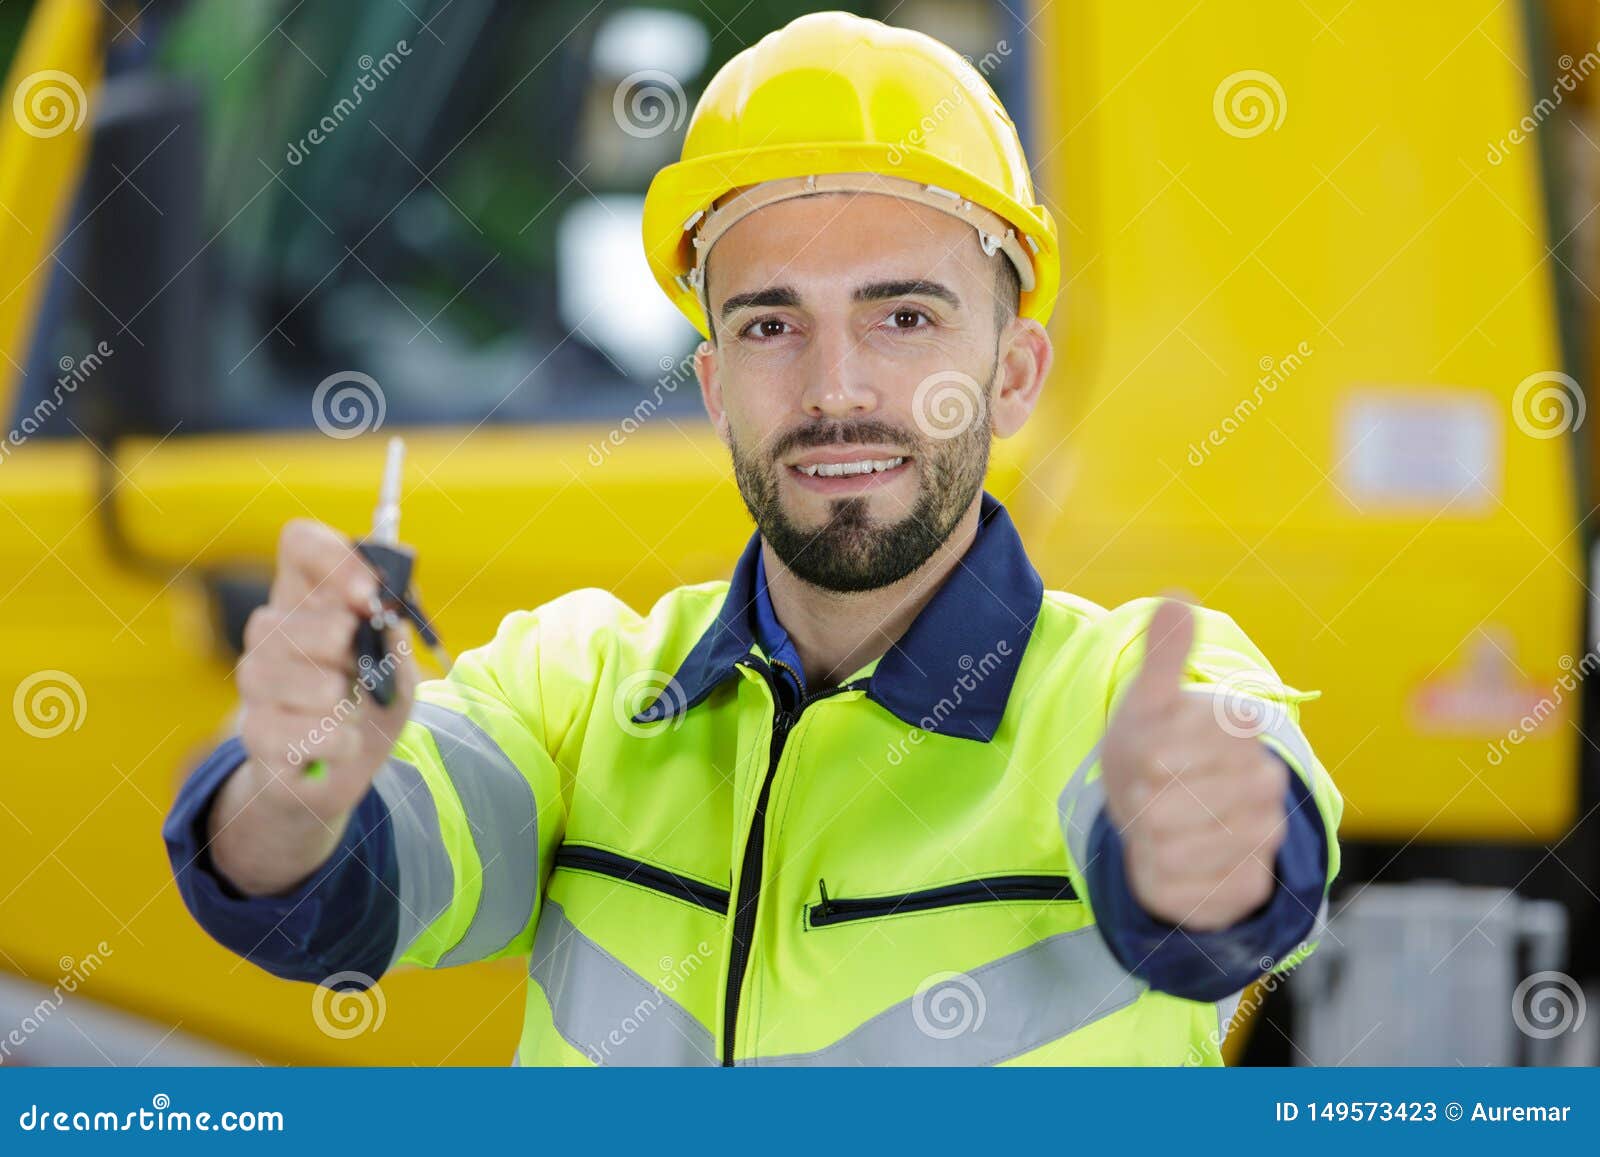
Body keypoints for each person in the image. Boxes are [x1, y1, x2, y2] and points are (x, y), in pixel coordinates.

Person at [164, 10, 1342, 1066]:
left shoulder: (1136, 692)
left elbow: (1231, 891)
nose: (835, 388)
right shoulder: (576, 689)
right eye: (773, 322)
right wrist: (294, 784)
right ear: (715, 385)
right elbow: (332, 895)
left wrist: (1197, 862)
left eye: (904, 315)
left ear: (1015, 371)